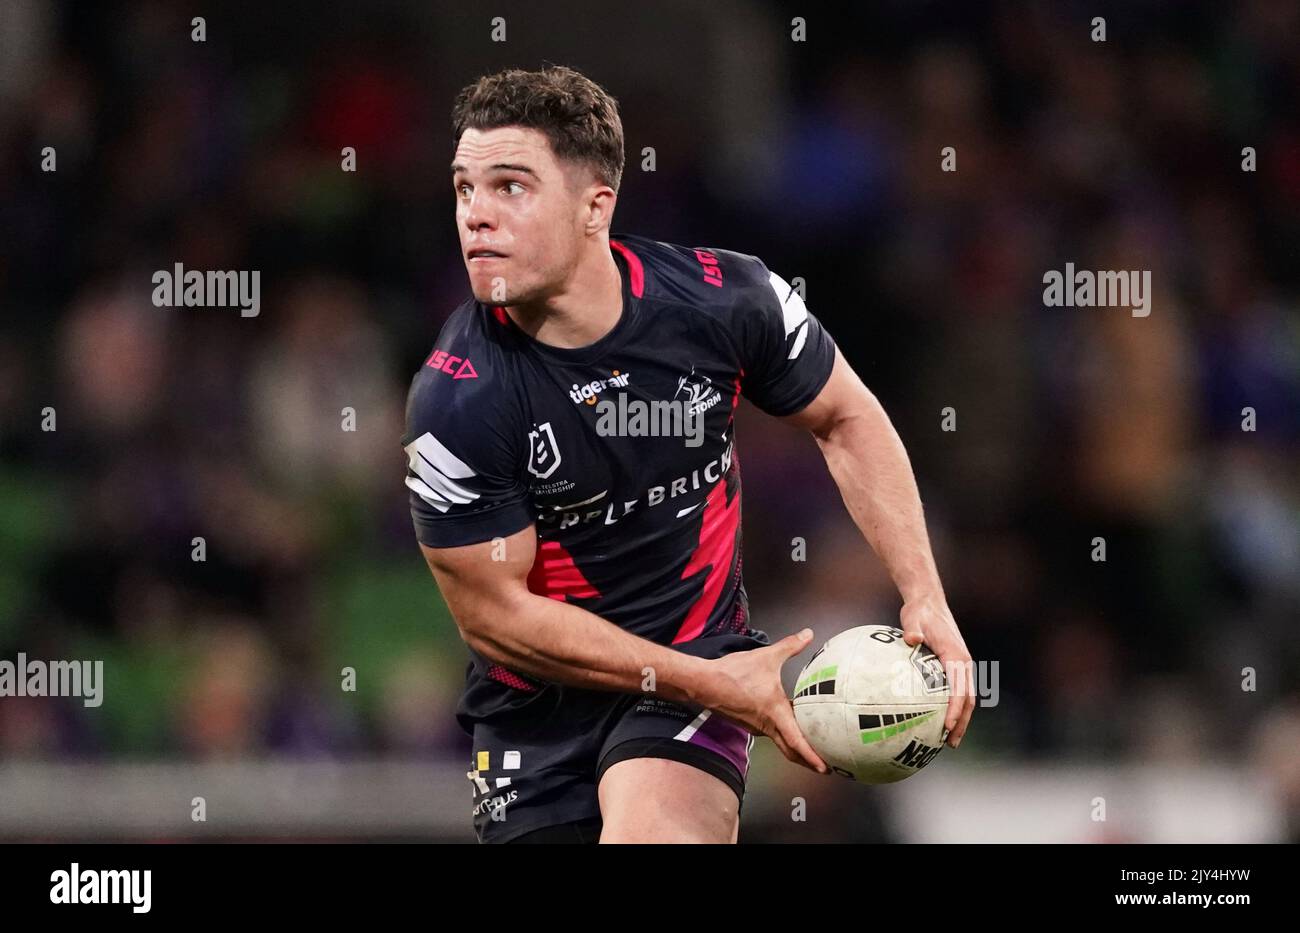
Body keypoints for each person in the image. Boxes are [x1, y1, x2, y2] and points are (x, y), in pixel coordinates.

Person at [402, 65, 974, 843]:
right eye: (465, 188)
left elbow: (846, 416)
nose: (476, 216)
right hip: (535, 708)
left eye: (510, 186)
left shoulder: (728, 302)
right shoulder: (458, 396)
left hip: (690, 670)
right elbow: (494, 617)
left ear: (594, 204)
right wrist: (714, 680)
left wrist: (924, 594)